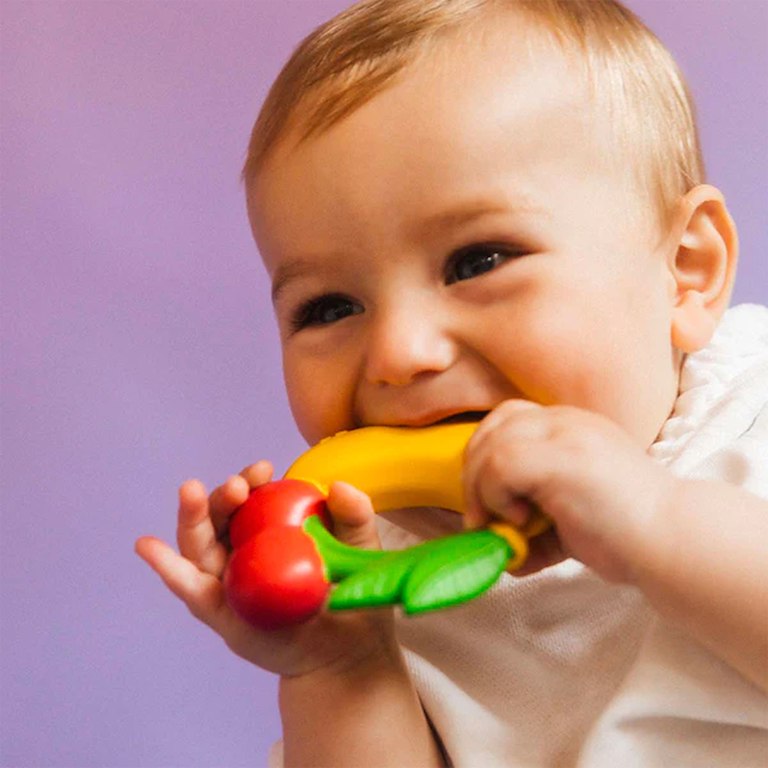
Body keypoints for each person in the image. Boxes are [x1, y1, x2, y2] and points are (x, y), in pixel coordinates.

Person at [135, 0, 768, 765]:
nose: (399, 353)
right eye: (330, 307)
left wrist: (653, 517)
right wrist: (343, 666)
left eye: (478, 261)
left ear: (685, 273)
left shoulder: (750, 423)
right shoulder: (380, 568)